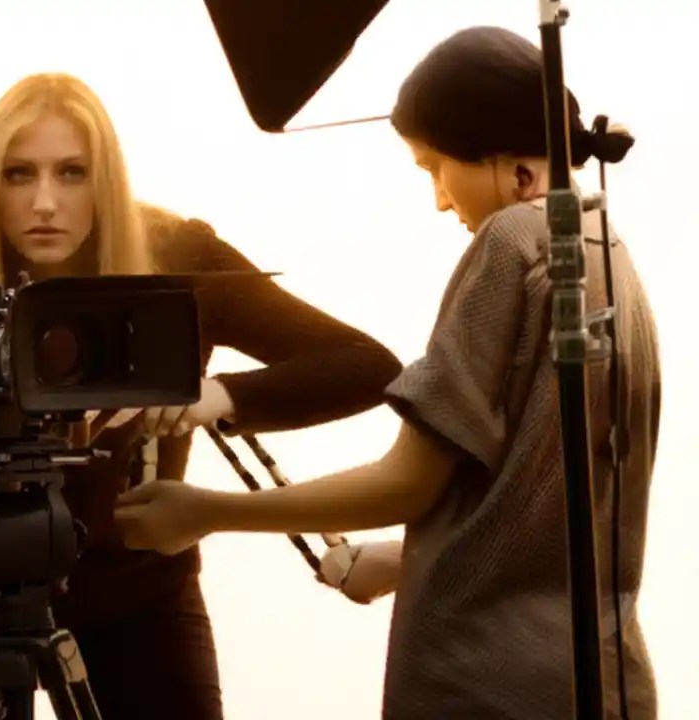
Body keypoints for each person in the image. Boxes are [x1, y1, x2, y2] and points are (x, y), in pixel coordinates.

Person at [0, 72, 404, 719]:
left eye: (72, 173)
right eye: (19, 174)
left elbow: (365, 365)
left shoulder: (174, 257)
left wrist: (219, 394)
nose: (45, 202)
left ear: (106, 179)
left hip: (139, 593)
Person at [115, 26, 660, 720]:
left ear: (519, 173)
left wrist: (210, 512)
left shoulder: (511, 241)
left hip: (483, 689)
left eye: (435, 169)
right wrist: (408, 561)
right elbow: (544, 518)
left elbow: (408, 482)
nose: (439, 200)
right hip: (605, 681)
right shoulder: (607, 249)